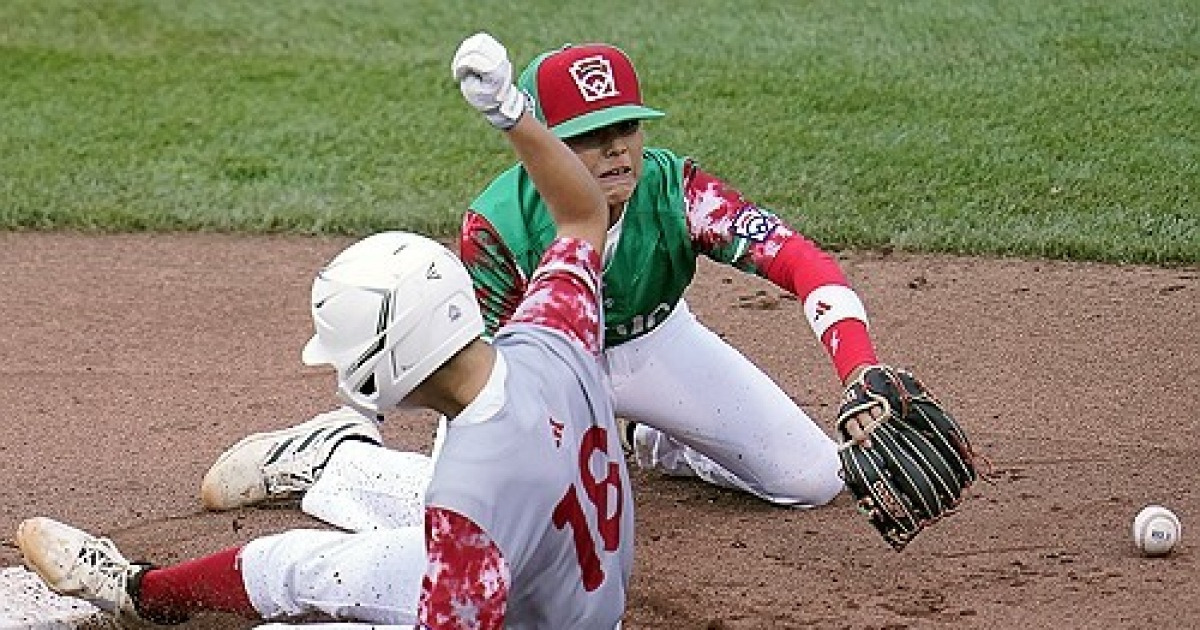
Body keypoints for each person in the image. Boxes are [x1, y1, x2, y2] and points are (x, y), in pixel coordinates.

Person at [16, 32, 632, 629]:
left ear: (391, 361)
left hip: (529, 597)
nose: (341, 376)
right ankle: (142, 587)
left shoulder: (468, 509)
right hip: (570, 573)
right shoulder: (551, 336)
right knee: (298, 566)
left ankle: (157, 579)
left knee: (293, 609)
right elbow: (581, 215)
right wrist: (514, 115)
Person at [201, 35, 893, 522]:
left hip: (656, 344)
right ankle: (332, 459)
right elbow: (472, 371)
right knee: (480, 507)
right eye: (590, 135)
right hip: (535, 371)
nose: (617, 146)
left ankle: (654, 439)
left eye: (626, 124)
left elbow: (802, 262)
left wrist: (858, 369)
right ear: (547, 146)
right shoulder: (499, 226)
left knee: (812, 478)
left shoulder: (679, 191)